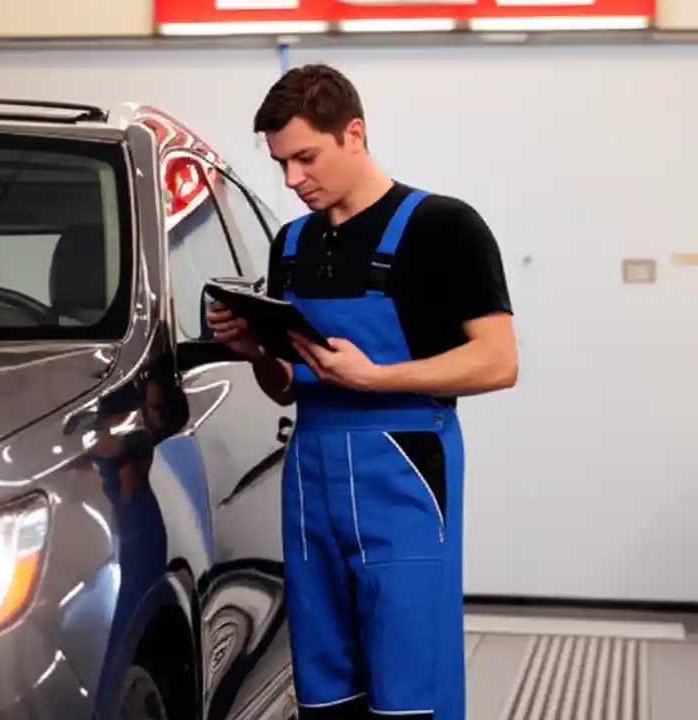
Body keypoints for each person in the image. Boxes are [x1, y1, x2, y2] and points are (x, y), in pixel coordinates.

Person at [206, 64, 518, 720]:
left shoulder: (445, 228)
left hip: (404, 464)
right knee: (320, 669)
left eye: (305, 158)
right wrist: (254, 351)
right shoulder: (291, 244)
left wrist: (377, 377)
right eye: (282, 164)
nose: (293, 180)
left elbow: (498, 362)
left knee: (409, 668)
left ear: (354, 133)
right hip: (311, 467)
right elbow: (287, 385)